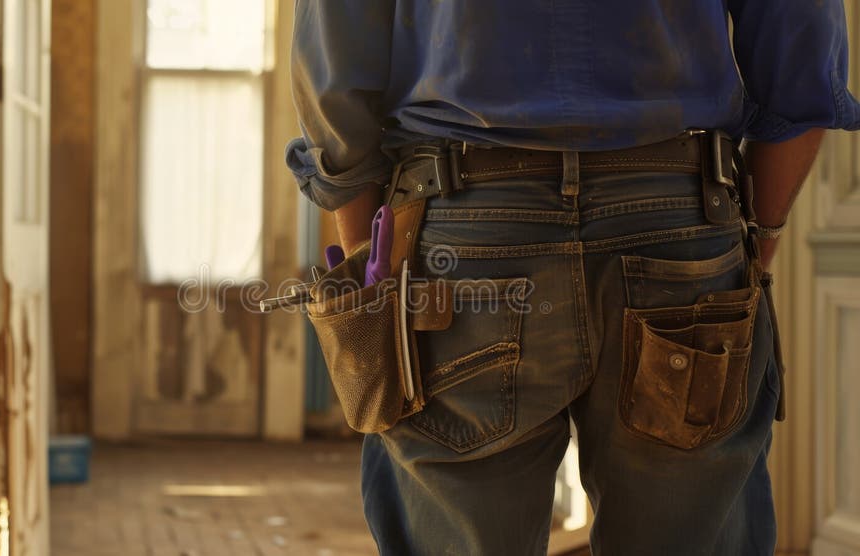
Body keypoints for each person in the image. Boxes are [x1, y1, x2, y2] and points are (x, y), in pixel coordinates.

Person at [285, 2, 859, 554]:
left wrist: (372, 268)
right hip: (679, 225)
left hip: (462, 231)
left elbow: (334, 70)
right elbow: (802, 49)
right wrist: (754, 245)